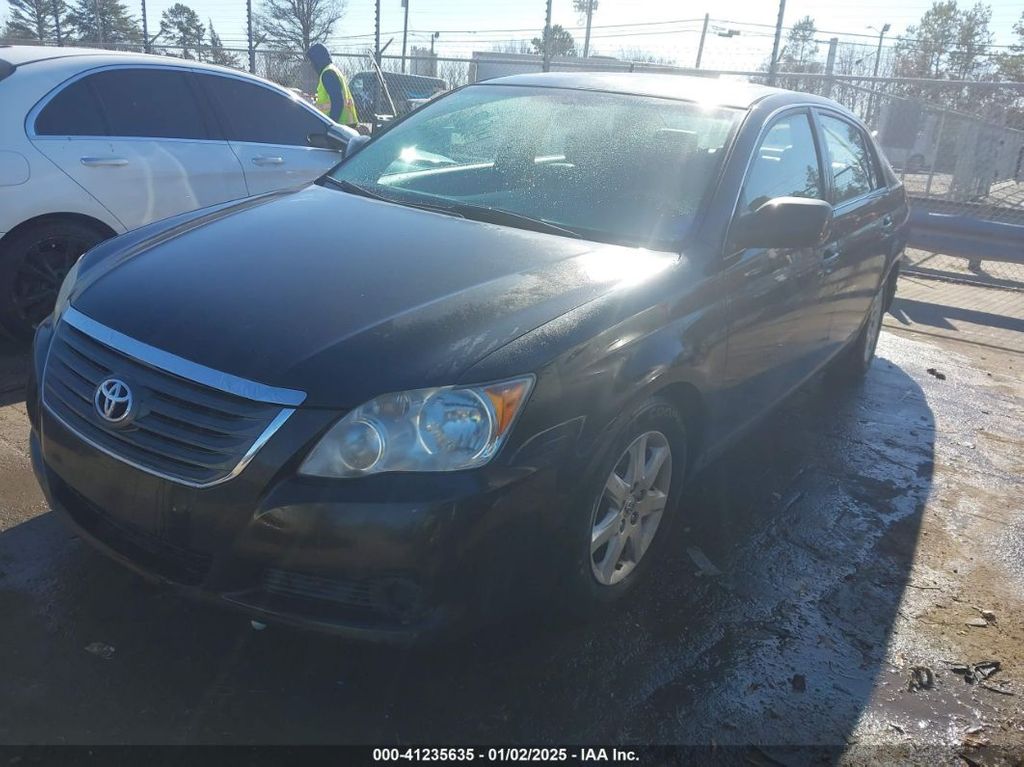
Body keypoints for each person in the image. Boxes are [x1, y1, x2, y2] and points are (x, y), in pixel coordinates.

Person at [306, 43, 359, 127]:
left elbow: (338, 101)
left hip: (339, 125)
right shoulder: (332, 70)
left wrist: (331, 125)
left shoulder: (328, 73)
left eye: (312, 61)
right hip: (345, 123)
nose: (312, 65)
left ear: (317, 59)